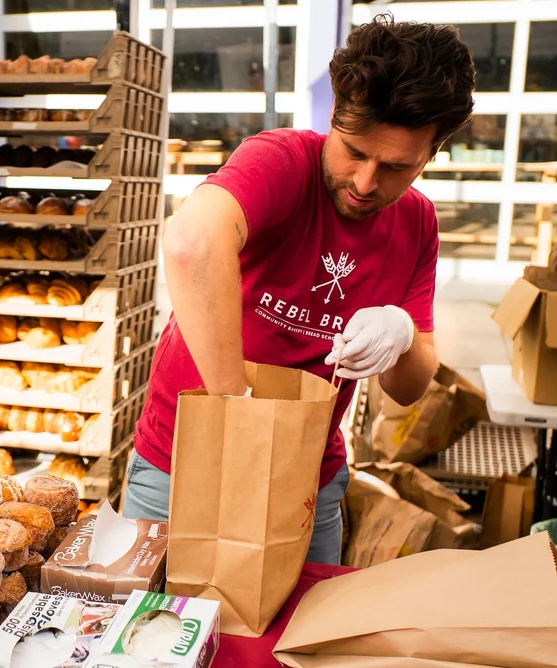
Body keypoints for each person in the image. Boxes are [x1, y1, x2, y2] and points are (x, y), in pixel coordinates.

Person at [123, 16, 476, 567]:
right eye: (354, 151)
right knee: (139, 637)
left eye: (396, 166)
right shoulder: (283, 162)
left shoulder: (417, 224)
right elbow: (192, 242)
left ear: (432, 153)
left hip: (306, 479)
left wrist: (402, 331)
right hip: (181, 464)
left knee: (296, 645)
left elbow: (409, 388)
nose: (364, 183)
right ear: (334, 116)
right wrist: (237, 416)